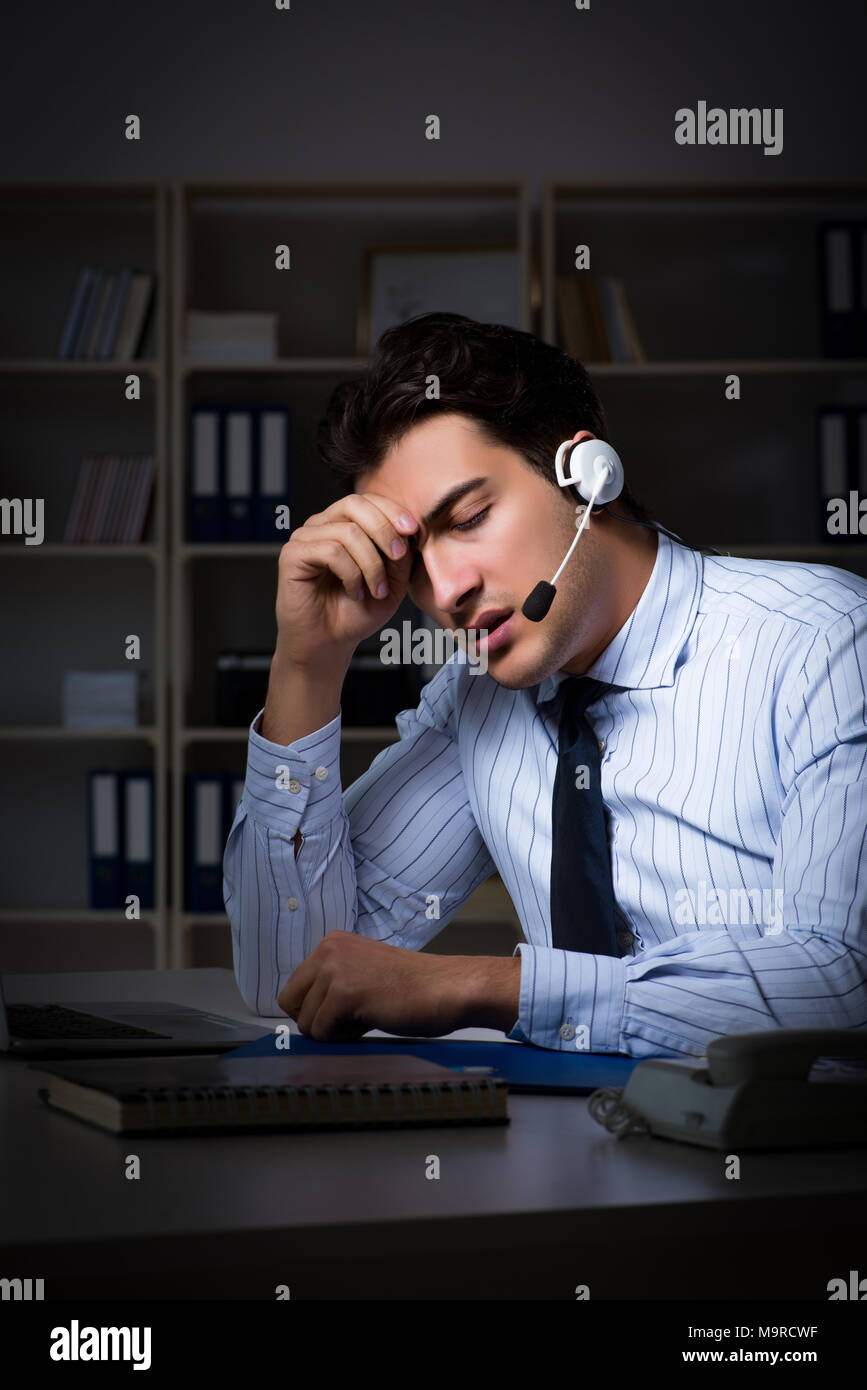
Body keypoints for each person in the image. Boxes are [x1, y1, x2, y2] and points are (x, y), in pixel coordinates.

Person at [223, 312, 867, 1055]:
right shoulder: (477, 700)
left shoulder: (825, 643)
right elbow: (292, 976)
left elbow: (839, 984)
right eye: (411, 561)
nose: (445, 589)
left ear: (587, 476)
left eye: (467, 518)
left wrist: (480, 987)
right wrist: (309, 661)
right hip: (577, 1148)